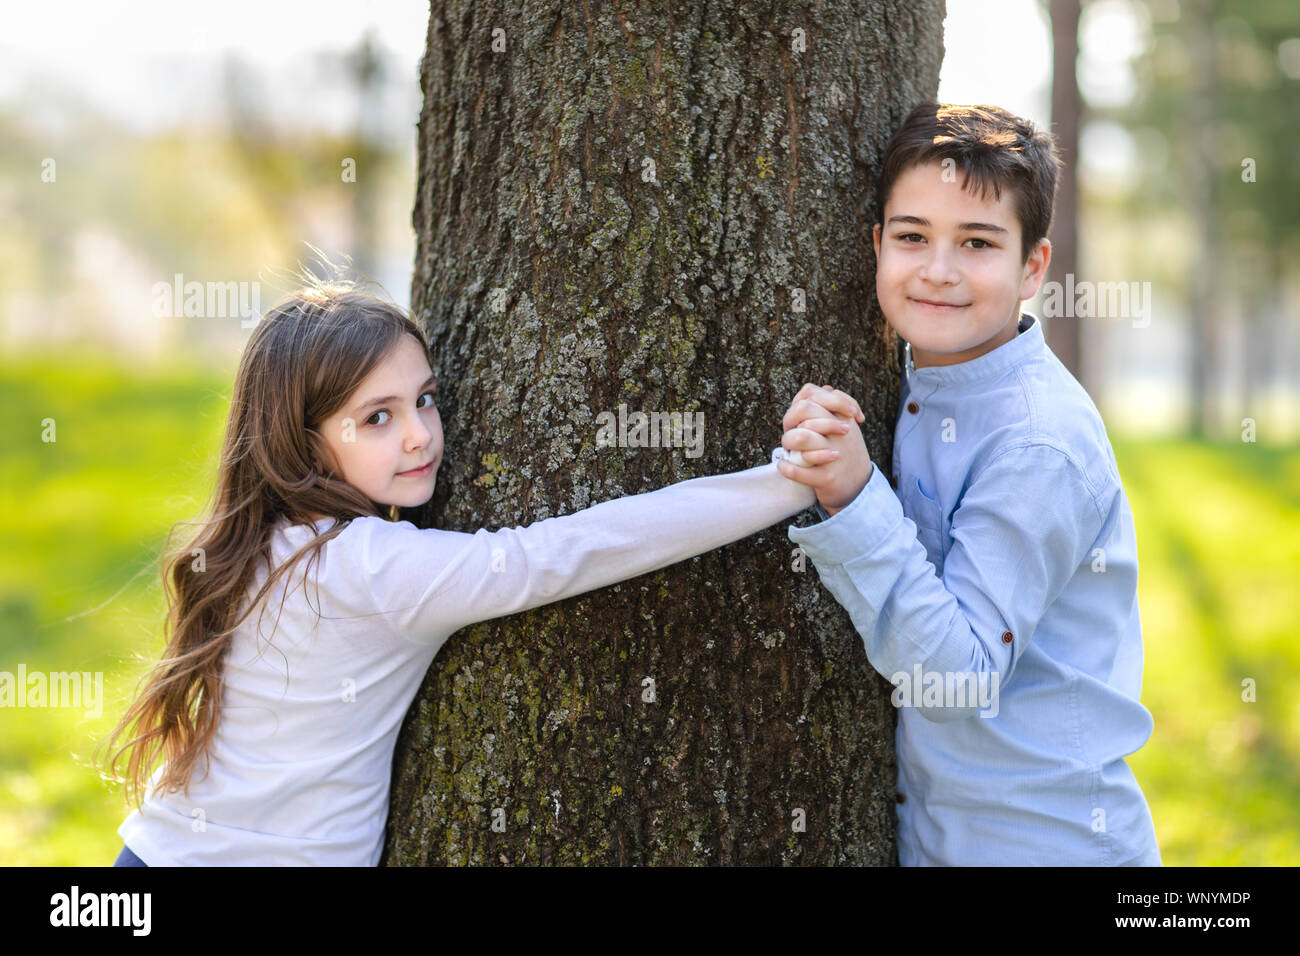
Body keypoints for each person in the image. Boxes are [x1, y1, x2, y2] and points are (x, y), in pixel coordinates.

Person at [98, 276, 859, 866]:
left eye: (424, 400)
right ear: (301, 440)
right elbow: (576, 549)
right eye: (378, 418)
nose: (421, 436)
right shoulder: (369, 566)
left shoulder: (259, 541)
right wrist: (790, 481)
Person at [776, 102, 1162, 866]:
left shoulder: (1036, 443)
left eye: (978, 243)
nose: (939, 270)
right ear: (877, 244)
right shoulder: (929, 382)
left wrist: (855, 502)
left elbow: (956, 675)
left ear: (1032, 268)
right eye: (913, 236)